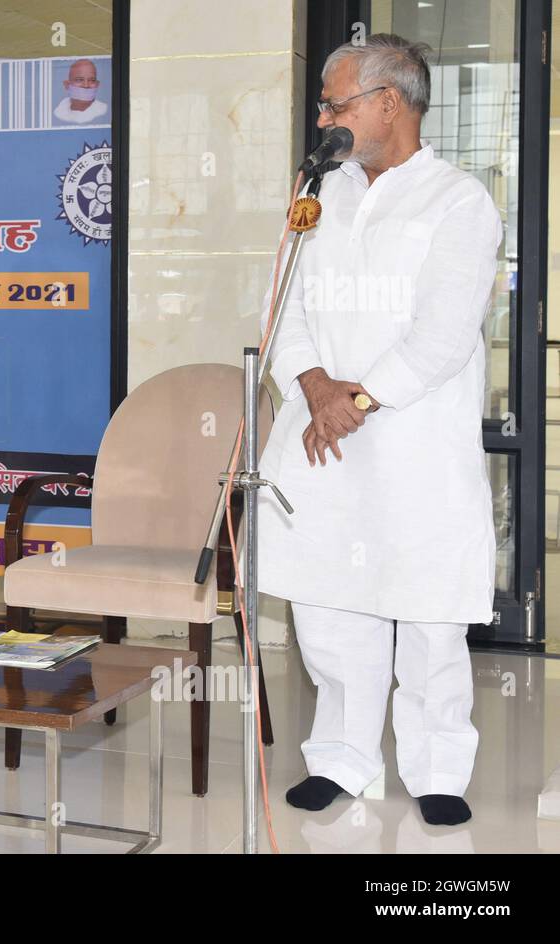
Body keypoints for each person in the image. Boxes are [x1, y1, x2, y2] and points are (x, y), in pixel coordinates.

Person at [256, 34, 500, 827]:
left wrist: (355, 403)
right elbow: (282, 302)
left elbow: (444, 333)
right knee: (331, 606)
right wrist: (316, 386)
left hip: (413, 445)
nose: (324, 116)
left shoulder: (459, 201)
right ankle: (340, 760)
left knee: (428, 611)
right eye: (326, 104)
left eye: (336, 102)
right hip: (324, 437)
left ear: (390, 103)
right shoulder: (320, 192)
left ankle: (435, 770)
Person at [53, 58, 108, 124]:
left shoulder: (103, 110)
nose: (86, 85)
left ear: (97, 84)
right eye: (79, 80)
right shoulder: (58, 112)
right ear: (67, 85)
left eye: (92, 80)